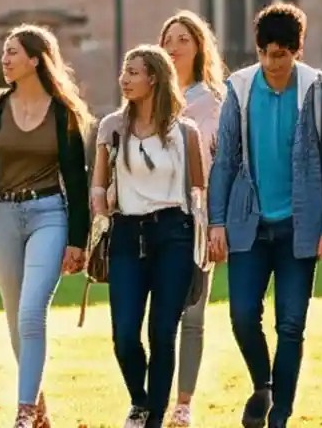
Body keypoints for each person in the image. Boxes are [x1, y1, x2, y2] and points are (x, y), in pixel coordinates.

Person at [207, 3, 322, 428]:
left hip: (299, 228)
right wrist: (217, 221)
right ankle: (263, 386)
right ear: (258, 50)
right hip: (249, 224)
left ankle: (280, 416)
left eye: (283, 55)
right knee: (243, 315)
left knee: (291, 323)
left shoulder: (318, 88)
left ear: (297, 52)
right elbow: (225, 162)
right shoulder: (241, 87)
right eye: (267, 54)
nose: (274, 63)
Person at [0, 24, 93, 428]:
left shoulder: (63, 112)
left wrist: (78, 240)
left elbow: (77, 180)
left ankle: (23, 412)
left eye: (13, 52)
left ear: (36, 59)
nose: (5, 59)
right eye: (4, 51)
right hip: (2, 216)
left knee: (33, 313)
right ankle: (39, 408)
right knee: (16, 316)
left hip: (49, 214)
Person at [92, 45, 204, 428]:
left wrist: (205, 243)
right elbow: (97, 186)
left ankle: (153, 416)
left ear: (154, 77)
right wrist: (98, 213)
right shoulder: (112, 127)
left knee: (162, 331)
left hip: (174, 233)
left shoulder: (183, 132)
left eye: (134, 72)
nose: (125, 78)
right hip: (126, 233)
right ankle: (139, 401)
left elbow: (198, 195)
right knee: (124, 332)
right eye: (124, 71)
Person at [159, 11, 225, 428]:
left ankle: (184, 403)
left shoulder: (213, 102)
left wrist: (217, 222)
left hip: (196, 218)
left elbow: (218, 164)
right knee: (159, 316)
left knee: (193, 316)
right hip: (152, 217)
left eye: (183, 38)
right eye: (168, 38)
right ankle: (152, 397)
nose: (174, 45)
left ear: (199, 47)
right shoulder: (149, 98)